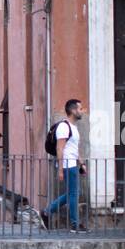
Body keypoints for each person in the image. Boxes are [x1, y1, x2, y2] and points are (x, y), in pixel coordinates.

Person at [43, 98, 89, 233]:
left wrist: (82, 163)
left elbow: (74, 149)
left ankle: (46, 212)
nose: (82, 111)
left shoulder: (73, 128)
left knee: (72, 193)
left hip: (73, 164)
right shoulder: (64, 127)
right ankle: (75, 224)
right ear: (73, 110)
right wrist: (61, 169)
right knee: (74, 194)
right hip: (67, 165)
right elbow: (60, 149)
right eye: (80, 109)